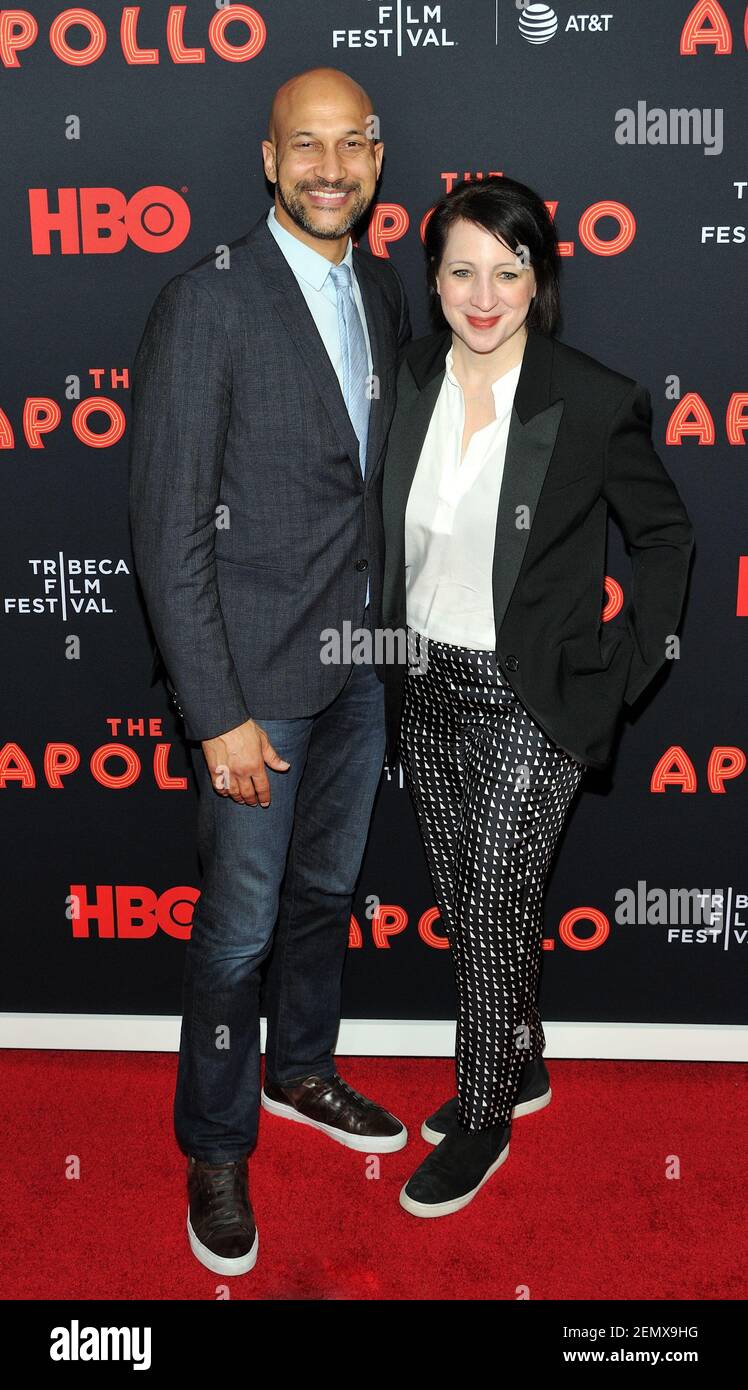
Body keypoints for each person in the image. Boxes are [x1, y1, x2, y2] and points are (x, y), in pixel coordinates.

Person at [128, 66, 412, 1276]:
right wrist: (217, 713)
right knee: (238, 930)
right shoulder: (210, 301)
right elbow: (166, 530)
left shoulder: (385, 290)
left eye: (350, 144)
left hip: (362, 667)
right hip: (253, 685)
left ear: (379, 155)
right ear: (268, 160)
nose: (330, 167)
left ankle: (299, 1068)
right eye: (307, 146)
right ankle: (215, 1142)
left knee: (324, 895)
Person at [381, 174, 695, 1218]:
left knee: (495, 906)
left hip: (530, 702)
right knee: (474, 913)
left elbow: (666, 537)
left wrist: (625, 671)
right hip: (423, 683)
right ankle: (520, 1060)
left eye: (505, 271)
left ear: (537, 279)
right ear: (433, 278)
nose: (482, 294)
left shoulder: (592, 399)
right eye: (461, 270)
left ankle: (482, 1117)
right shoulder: (412, 374)